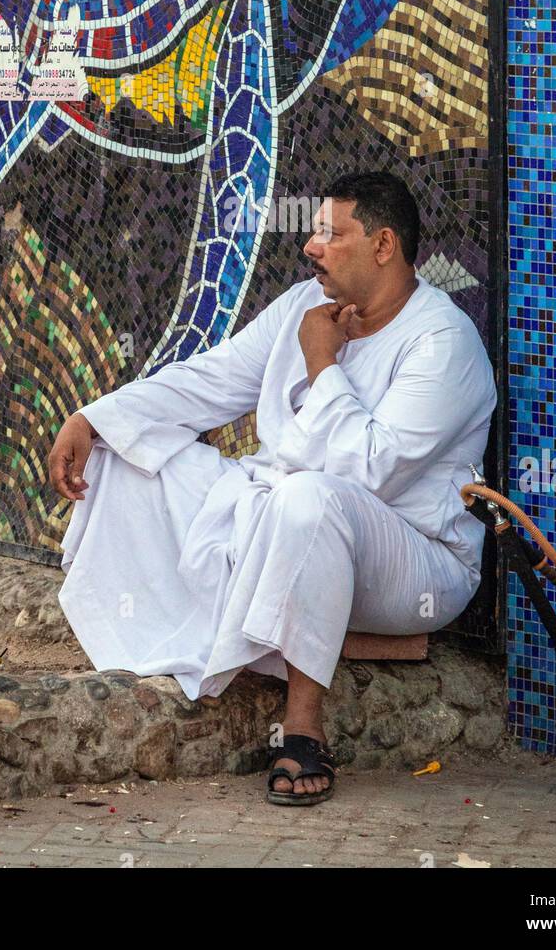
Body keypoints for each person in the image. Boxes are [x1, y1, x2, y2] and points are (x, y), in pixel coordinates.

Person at [49, 171, 497, 804]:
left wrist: (321, 364)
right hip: (283, 514)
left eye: (329, 234)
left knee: (308, 499)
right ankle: (229, 631)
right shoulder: (299, 307)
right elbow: (208, 382)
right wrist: (91, 420)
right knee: (129, 452)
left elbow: (367, 471)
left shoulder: (443, 342)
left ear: (383, 245)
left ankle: (303, 729)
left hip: (413, 563)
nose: (311, 247)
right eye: (313, 232)